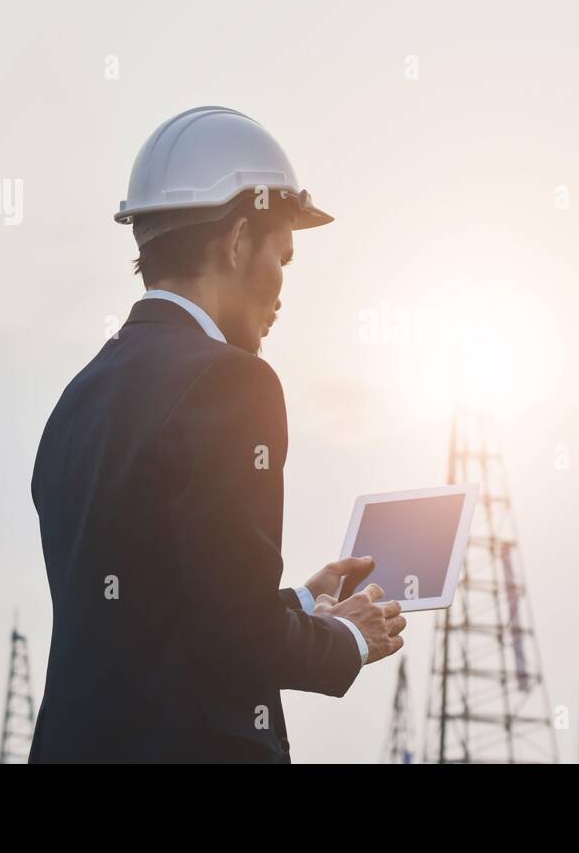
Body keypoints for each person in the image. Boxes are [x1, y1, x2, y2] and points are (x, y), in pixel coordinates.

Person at [29, 107, 405, 762]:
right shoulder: (235, 384)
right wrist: (349, 638)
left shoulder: (79, 397)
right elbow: (235, 640)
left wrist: (299, 603)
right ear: (236, 243)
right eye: (282, 256)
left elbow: (162, 617)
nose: (284, 287)